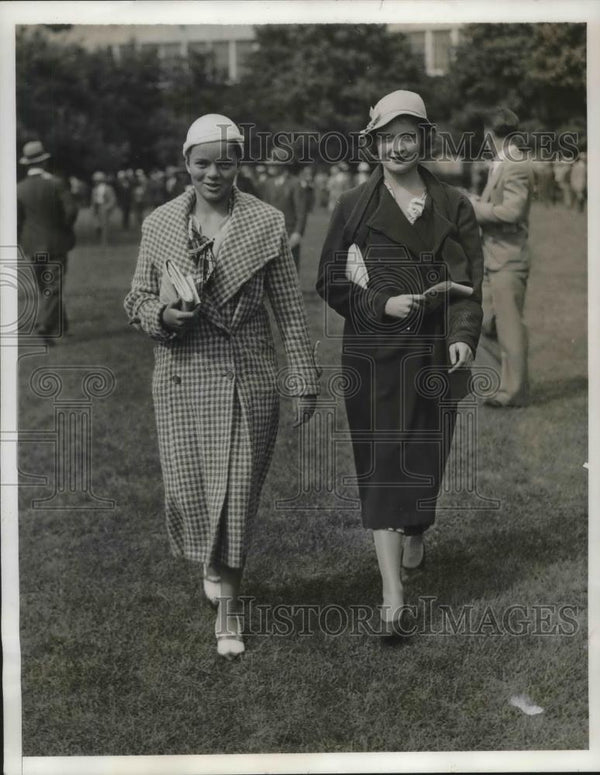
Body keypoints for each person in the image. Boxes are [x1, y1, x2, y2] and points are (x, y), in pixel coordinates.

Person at [124, 114, 320, 659]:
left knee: (235, 494)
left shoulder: (266, 223)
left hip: (246, 378)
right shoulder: (160, 224)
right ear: (187, 163)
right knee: (190, 492)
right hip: (181, 378)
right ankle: (211, 562)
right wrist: (162, 315)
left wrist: (302, 378)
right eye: (203, 162)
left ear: (240, 163)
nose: (214, 172)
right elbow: (135, 298)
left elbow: (289, 309)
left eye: (225, 161)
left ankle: (230, 607)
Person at [316, 91, 483, 632]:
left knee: (426, 459)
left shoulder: (453, 203)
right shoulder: (353, 206)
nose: (398, 146)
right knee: (385, 464)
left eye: (408, 135)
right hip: (375, 354)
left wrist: (462, 335)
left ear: (423, 139)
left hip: (434, 353)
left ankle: (417, 531)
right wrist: (379, 303)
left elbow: (469, 285)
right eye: (387, 137)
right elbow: (330, 280)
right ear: (373, 143)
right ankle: (392, 593)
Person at [470, 107, 535, 408]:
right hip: (493, 256)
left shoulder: (516, 164)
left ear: (489, 133)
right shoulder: (503, 162)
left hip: (508, 258)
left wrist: (473, 207)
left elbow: (513, 212)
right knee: (483, 322)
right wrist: (475, 201)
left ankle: (514, 392)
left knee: (509, 327)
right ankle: (509, 381)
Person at [17, 140, 78, 343]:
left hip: (32, 246)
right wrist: (64, 228)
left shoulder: (19, 189)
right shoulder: (55, 183)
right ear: (43, 162)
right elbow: (71, 211)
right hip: (55, 244)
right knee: (53, 287)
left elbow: (16, 220)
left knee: (46, 286)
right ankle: (44, 324)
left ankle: (62, 324)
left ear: (27, 164)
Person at [261, 147, 308, 268]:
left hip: (289, 233)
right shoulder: (268, 183)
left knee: (289, 268)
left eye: (274, 164)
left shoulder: (295, 183)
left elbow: (301, 212)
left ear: (282, 166)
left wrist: (297, 233)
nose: (270, 166)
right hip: (270, 233)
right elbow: (264, 208)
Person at [90, 171, 117, 245]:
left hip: (103, 207)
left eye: (97, 180)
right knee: (97, 224)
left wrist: (107, 207)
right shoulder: (94, 190)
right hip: (97, 207)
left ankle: (104, 241)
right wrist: (93, 208)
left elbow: (112, 199)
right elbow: (92, 200)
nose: (96, 182)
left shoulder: (108, 189)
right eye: (95, 180)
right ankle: (98, 238)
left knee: (104, 225)